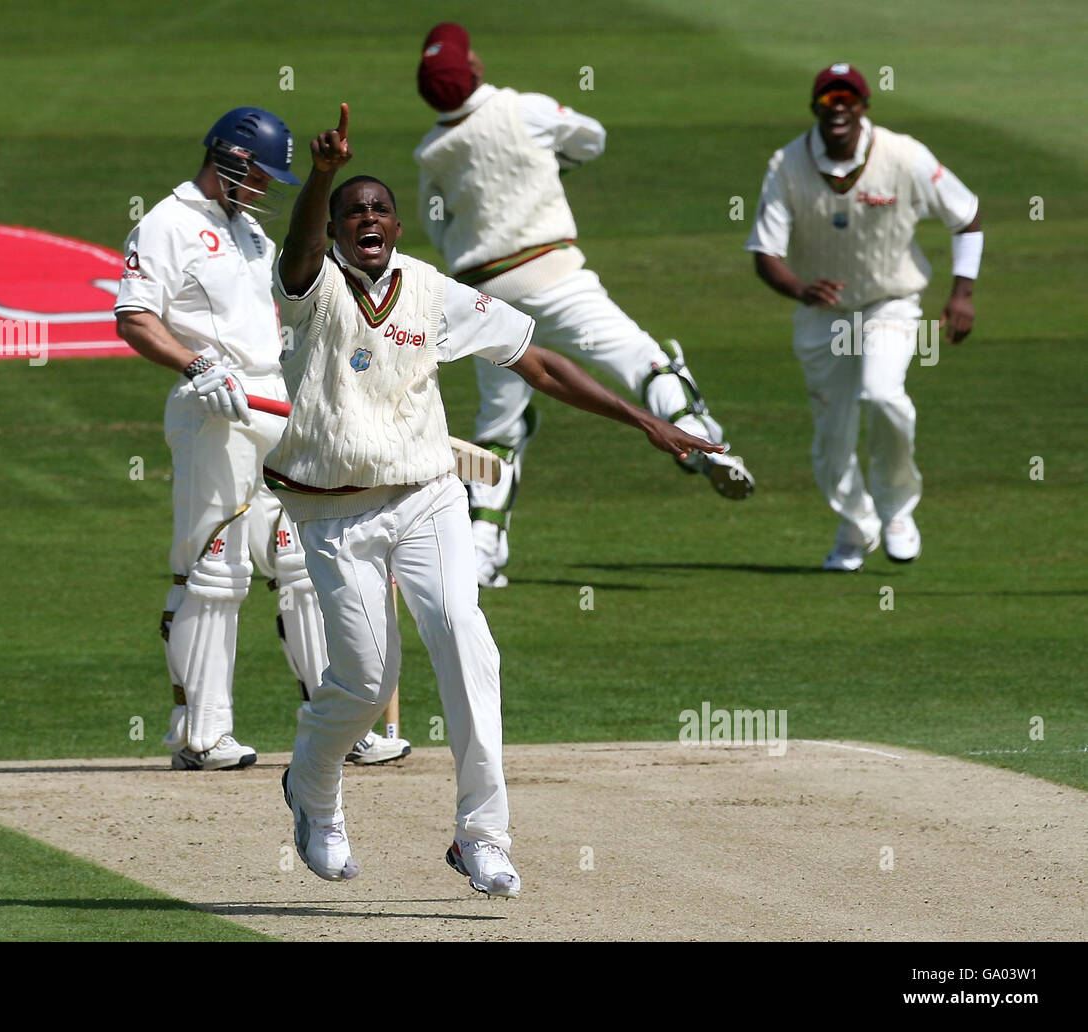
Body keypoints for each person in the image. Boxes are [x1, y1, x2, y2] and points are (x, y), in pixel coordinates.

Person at [267, 103, 721, 897]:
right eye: (352, 211)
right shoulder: (311, 287)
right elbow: (301, 248)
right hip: (335, 508)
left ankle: (481, 835)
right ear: (336, 229)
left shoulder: (434, 291)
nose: (365, 218)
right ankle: (312, 789)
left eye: (379, 208)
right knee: (365, 685)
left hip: (428, 496)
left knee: (468, 645)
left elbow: (537, 362)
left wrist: (642, 417)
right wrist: (324, 175)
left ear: (399, 226)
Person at [113, 107, 410, 772]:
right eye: (258, 174)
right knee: (216, 570)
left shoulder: (247, 232)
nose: (262, 189)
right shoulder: (167, 223)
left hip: (276, 407)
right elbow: (133, 317)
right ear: (226, 157)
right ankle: (201, 734)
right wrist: (196, 365)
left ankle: (341, 725)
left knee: (301, 565)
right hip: (213, 410)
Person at [412, 22, 755, 588]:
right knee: (641, 358)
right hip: (555, 275)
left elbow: (437, 224)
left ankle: (481, 548)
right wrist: (552, 162)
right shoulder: (522, 109)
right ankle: (702, 439)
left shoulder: (430, 152)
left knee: (500, 424)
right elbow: (591, 137)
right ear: (472, 68)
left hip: (484, 297)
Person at [745, 63, 982, 570]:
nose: (838, 109)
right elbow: (765, 254)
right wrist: (800, 289)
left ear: (863, 107)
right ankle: (855, 527)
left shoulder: (904, 155)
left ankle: (897, 510)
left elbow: (967, 216)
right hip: (824, 314)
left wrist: (962, 295)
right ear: (816, 108)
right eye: (829, 100)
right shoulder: (786, 164)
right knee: (832, 439)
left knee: (882, 394)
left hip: (890, 302)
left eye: (847, 99)